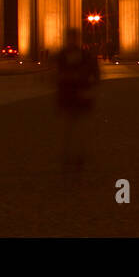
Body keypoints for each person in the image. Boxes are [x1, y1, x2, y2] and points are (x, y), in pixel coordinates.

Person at [55, 28, 99, 172]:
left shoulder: (84, 56)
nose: (71, 41)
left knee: (79, 130)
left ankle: (78, 156)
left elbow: (96, 74)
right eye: (70, 38)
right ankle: (66, 157)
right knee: (67, 130)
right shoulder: (61, 56)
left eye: (73, 38)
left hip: (80, 97)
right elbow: (55, 75)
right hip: (68, 97)